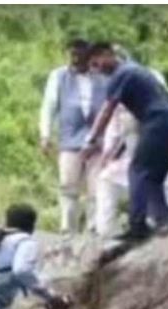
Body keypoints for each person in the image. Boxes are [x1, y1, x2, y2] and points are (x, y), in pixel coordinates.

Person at [83, 42, 168, 246]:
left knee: (138, 172)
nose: (97, 70)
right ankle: (165, 222)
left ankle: (137, 227)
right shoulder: (135, 68)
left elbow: (107, 111)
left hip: (159, 121)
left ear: (107, 54)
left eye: (96, 63)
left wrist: (92, 139)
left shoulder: (122, 74)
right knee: (152, 177)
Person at [94, 86, 168, 237]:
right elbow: (115, 133)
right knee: (107, 186)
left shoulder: (158, 105)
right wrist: (108, 154)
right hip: (127, 159)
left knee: (164, 192)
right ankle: (110, 233)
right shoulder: (121, 103)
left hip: (157, 156)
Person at [39, 38, 107, 234]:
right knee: (68, 184)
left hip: (98, 142)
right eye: (72, 54)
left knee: (97, 186)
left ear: (88, 55)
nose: (75, 59)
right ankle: (68, 227)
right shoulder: (58, 76)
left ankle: (95, 227)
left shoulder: (102, 77)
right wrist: (45, 135)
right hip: (70, 140)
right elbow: (48, 107)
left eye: (79, 54)